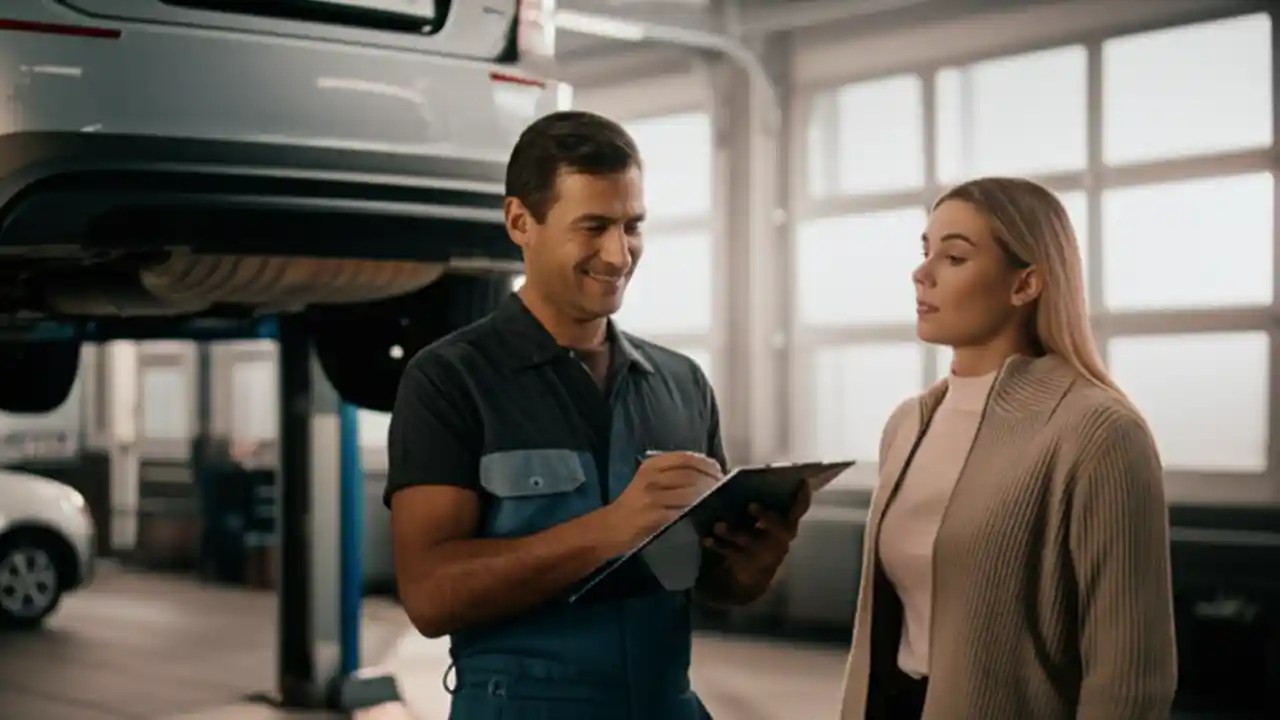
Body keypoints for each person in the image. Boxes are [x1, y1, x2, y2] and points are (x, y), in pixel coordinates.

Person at [385, 110, 809, 720]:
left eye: (632, 226)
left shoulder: (681, 384)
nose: (618, 253)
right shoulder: (451, 379)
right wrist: (609, 529)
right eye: (594, 226)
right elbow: (428, 595)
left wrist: (752, 565)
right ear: (519, 222)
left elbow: (712, 585)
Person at [839, 177, 1178, 720]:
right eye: (925, 252)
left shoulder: (1098, 432)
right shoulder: (907, 424)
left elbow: (1130, 681)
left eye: (954, 257)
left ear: (1026, 284)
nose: (920, 273)